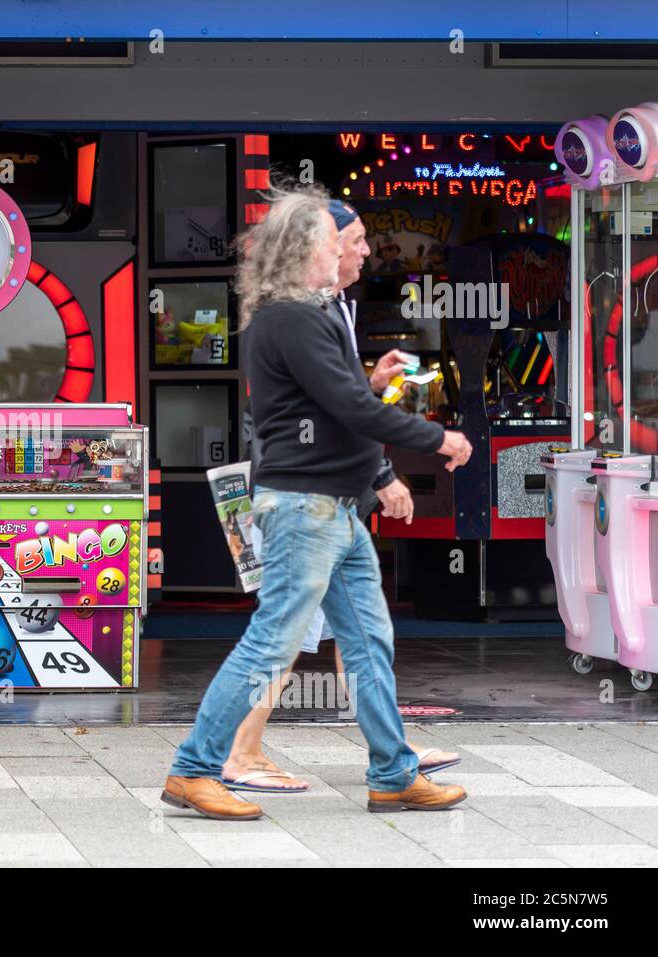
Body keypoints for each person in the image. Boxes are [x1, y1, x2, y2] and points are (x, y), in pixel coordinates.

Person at [162, 182, 473, 820]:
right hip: (306, 509)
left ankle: (393, 773)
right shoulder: (293, 318)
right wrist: (437, 437)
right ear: (309, 249)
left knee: (366, 642)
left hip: (334, 507)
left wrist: (378, 471)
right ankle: (194, 768)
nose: (350, 253)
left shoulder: (310, 312)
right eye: (339, 242)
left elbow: (341, 408)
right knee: (273, 643)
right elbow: (351, 408)